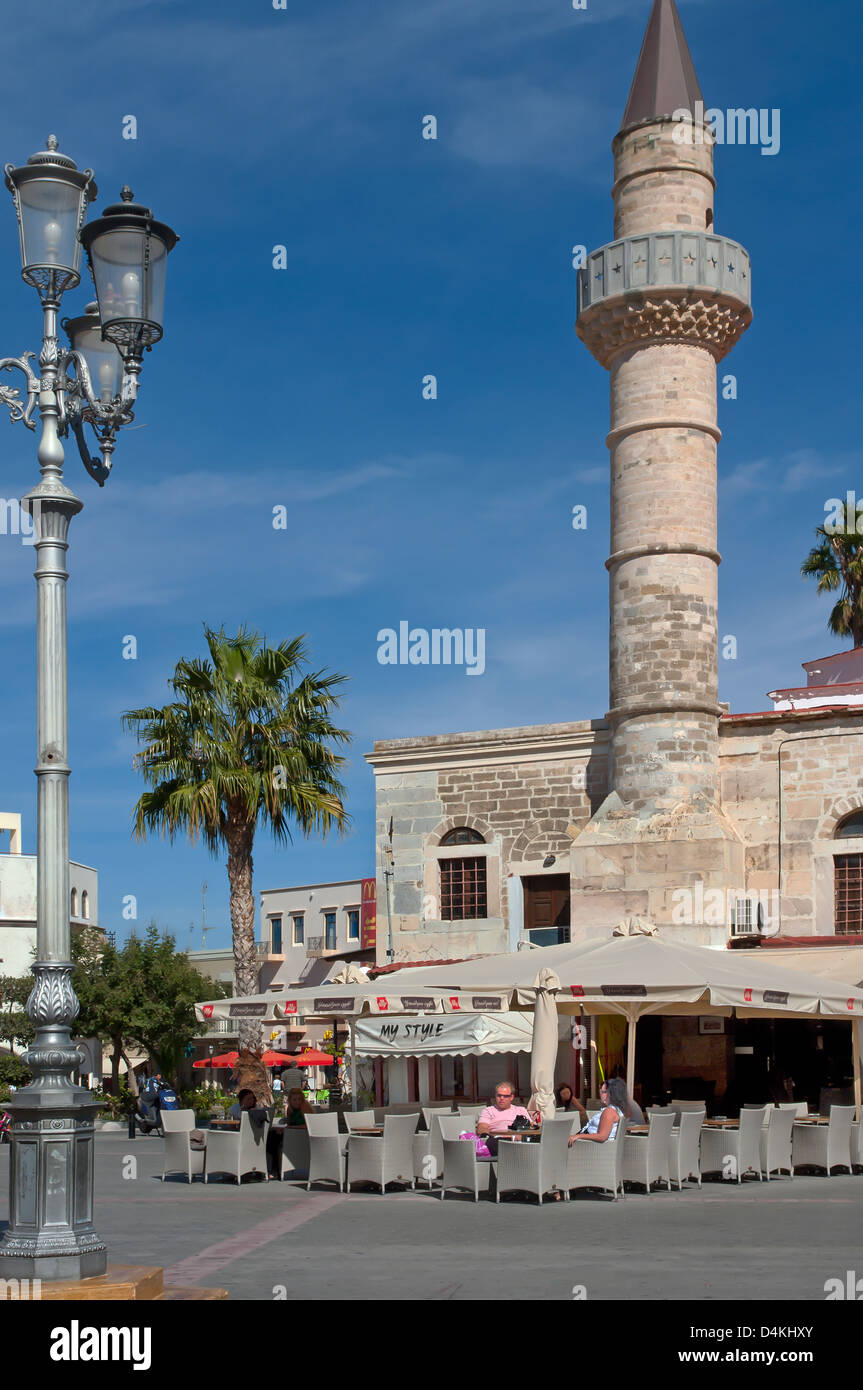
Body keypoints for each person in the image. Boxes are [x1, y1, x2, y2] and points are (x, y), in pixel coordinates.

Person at [476, 1082, 534, 1157]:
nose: (501, 1098)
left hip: (518, 1141)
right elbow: (482, 1128)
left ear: (511, 1097)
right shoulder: (488, 1110)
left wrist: (519, 1136)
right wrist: (495, 1136)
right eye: (499, 1095)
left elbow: (531, 1128)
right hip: (498, 1141)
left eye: (505, 1096)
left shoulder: (521, 1110)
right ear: (495, 1096)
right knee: (493, 1143)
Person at [267, 1088, 312, 1179]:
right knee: (272, 1136)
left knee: (274, 1140)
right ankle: (274, 1170)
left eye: (299, 1099)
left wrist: (291, 1128)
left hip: (303, 1137)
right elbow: (289, 1124)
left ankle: (274, 1170)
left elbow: (308, 1126)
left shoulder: (305, 1108)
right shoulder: (290, 1110)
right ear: (290, 1100)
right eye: (294, 1100)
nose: (297, 1102)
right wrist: (285, 1129)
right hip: (292, 1135)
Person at [568, 1077, 628, 1146]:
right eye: (601, 1091)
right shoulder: (618, 1109)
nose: (601, 1094)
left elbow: (602, 1137)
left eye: (604, 1092)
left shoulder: (609, 1111)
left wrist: (579, 1136)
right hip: (590, 1144)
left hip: (588, 1146)